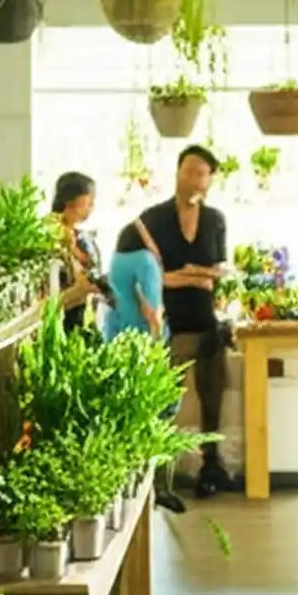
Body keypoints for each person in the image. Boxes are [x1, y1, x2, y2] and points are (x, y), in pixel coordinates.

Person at [138, 143, 234, 499]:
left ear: (209, 180)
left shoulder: (215, 220)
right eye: (189, 171)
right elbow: (147, 275)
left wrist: (192, 273)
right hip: (167, 325)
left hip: (207, 325)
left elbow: (220, 270)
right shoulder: (153, 218)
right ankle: (157, 477)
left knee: (213, 399)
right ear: (178, 172)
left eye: (202, 173)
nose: (194, 178)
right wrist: (192, 276)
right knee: (163, 403)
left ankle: (211, 467)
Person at [101, 220, 188, 514]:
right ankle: (158, 487)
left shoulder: (116, 260)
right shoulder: (146, 261)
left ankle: (130, 488)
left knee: (127, 418)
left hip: (116, 341)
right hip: (145, 346)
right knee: (164, 412)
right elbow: (153, 310)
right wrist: (158, 346)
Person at [51, 172, 101, 333]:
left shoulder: (82, 238)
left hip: (80, 320)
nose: (91, 207)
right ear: (70, 200)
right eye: (89, 202)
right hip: (57, 325)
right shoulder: (49, 235)